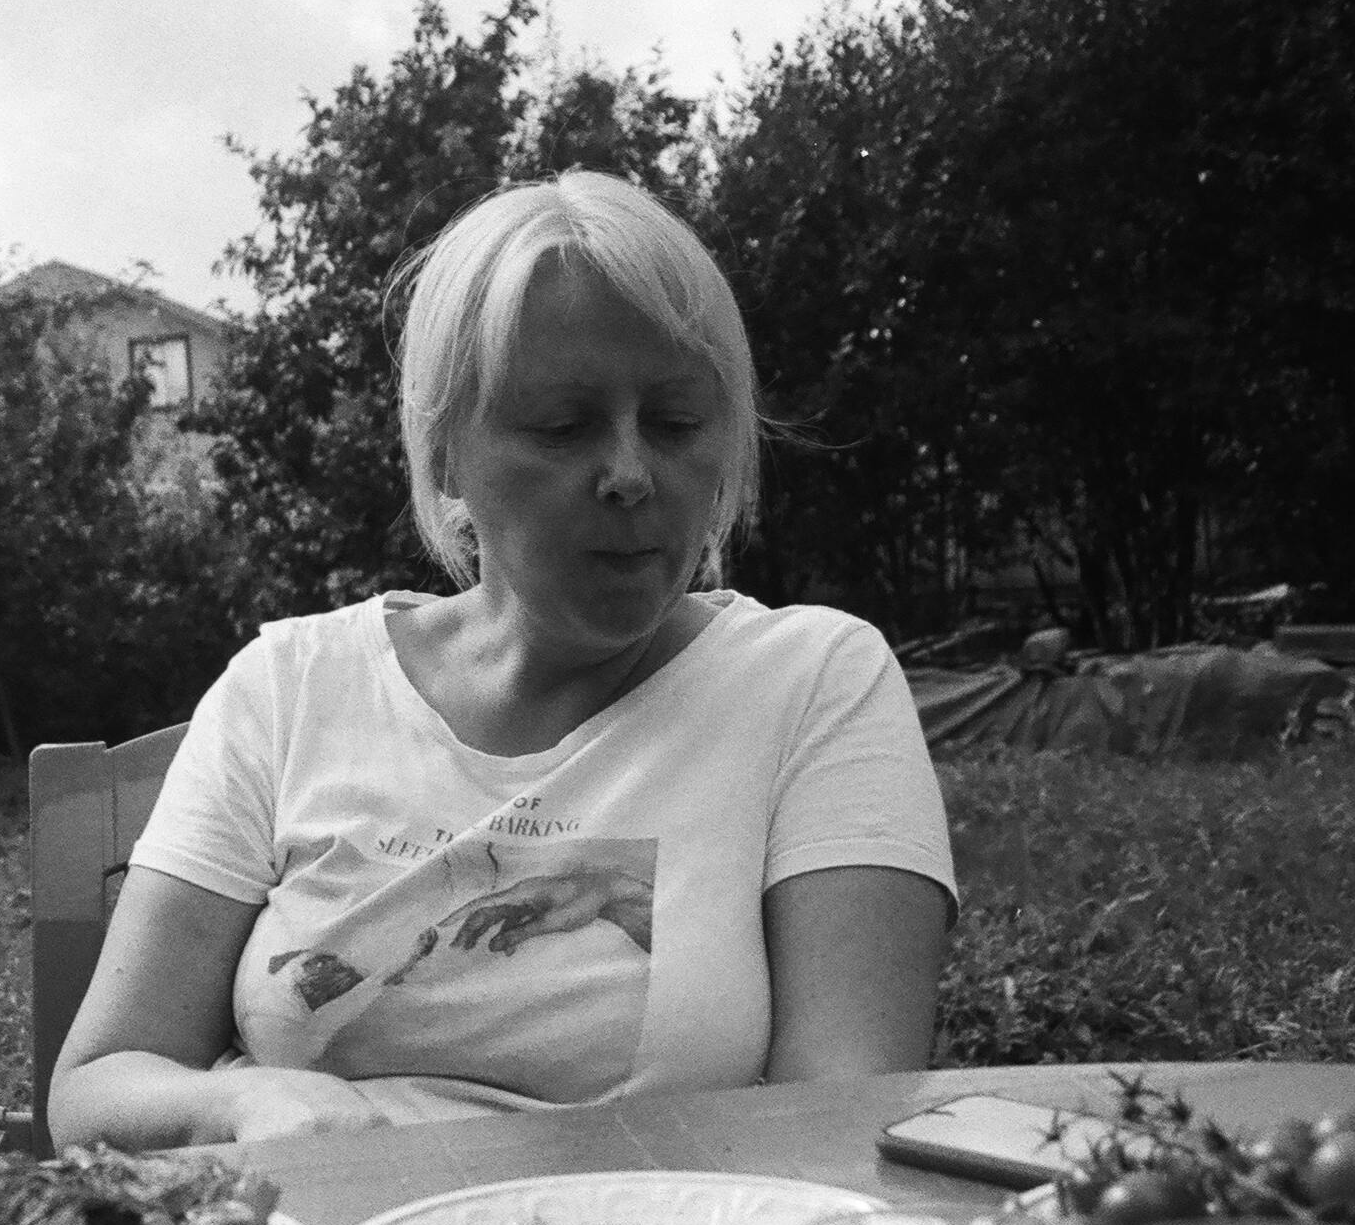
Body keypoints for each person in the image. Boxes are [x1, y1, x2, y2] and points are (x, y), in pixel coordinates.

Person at [51, 173, 956, 1151]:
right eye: (562, 426)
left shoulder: (812, 681)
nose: (627, 473)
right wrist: (246, 1105)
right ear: (444, 454)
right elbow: (97, 1084)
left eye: (676, 421)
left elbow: (845, 1119)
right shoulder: (288, 686)